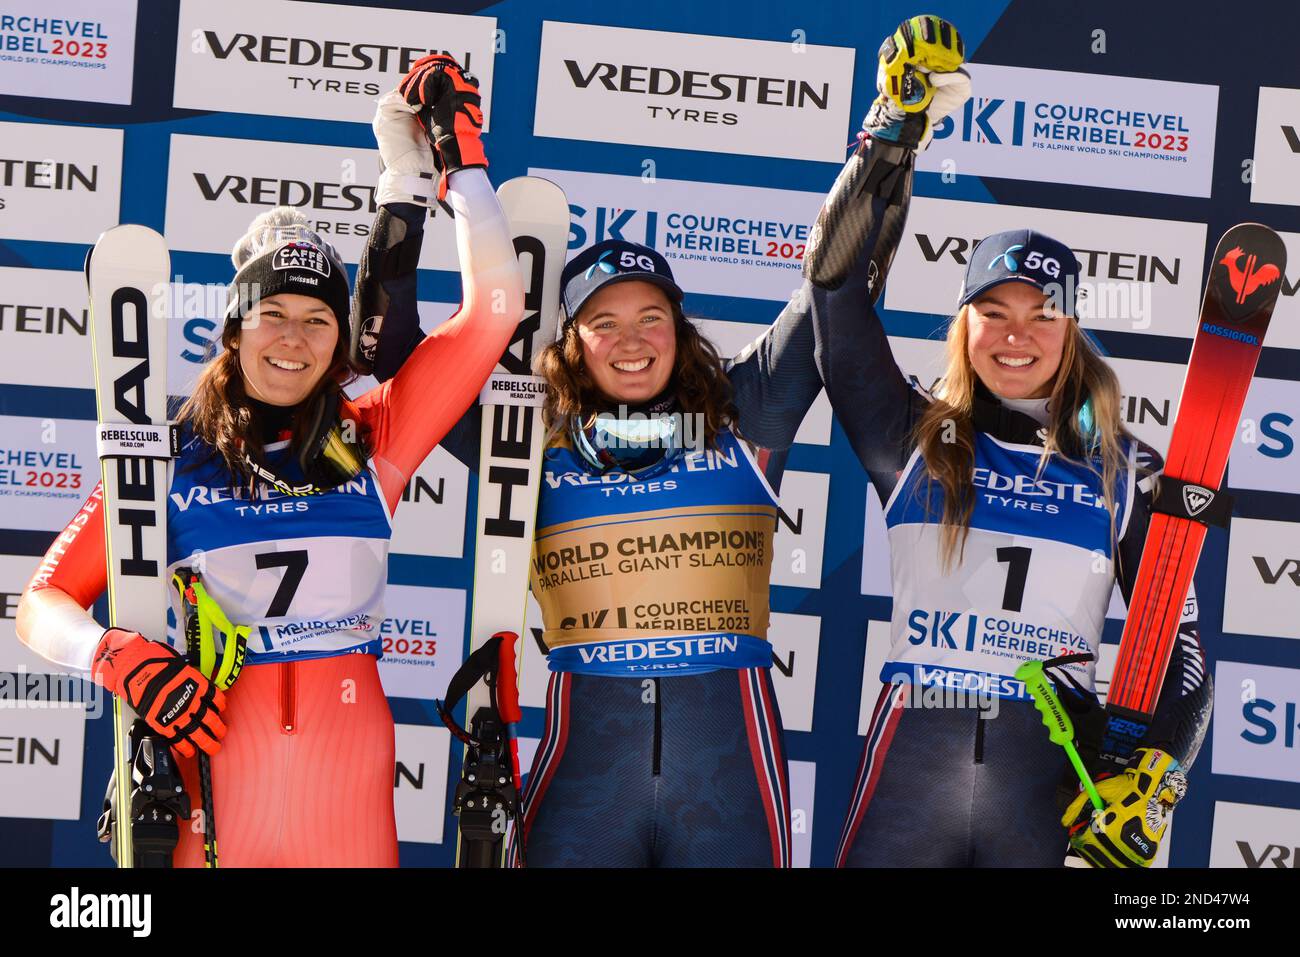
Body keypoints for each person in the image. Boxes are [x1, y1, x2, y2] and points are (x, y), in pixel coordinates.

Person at [15, 56, 524, 867]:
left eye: (318, 320)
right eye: (272, 315)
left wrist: (449, 166)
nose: (293, 339)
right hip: (216, 783)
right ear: (231, 330)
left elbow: (495, 308)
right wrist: (114, 656)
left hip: (346, 791)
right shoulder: (173, 458)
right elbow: (41, 604)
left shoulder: (373, 436)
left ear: (337, 342)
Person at [802, 17, 1211, 867]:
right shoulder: (909, 432)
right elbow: (835, 289)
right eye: (994, 313)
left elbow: (1185, 650)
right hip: (914, 754)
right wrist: (887, 134)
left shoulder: (1125, 471)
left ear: (1072, 330)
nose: (1015, 336)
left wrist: (1157, 776)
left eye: (1041, 315)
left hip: (1047, 771)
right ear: (965, 324)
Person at [361, 235, 828, 866]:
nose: (631, 342)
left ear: (679, 330)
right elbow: (393, 351)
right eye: (604, 324)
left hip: (728, 768)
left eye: (651, 319)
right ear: (572, 344)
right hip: (589, 771)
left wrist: (886, 149)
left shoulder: (743, 416)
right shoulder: (527, 441)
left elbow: (832, 285)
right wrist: (408, 193)